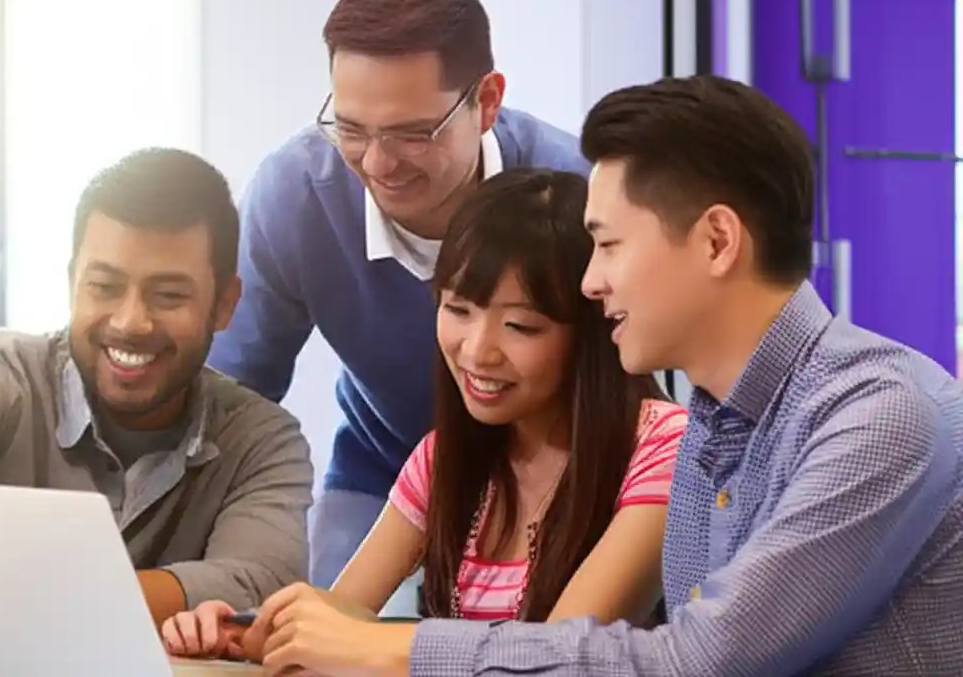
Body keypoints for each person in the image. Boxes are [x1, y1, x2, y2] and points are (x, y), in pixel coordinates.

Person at [229, 75, 963, 676]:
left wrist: (398, 647)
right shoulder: (719, 421)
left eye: (608, 246)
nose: (589, 284)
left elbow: (702, 661)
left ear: (716, 241)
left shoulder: (878, 414)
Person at [161, 168, 688, 660]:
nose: (477, 351)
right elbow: (338, 614)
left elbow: (552, 661)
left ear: (592, 331)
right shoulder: (446, 456)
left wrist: (363, 645)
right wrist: (244, 633)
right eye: (457, 310)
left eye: (521, 326)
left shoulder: (660, 444)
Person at [207, 0, 589, 588]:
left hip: (563, 479)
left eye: (414, 134)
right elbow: (230, 402)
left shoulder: (578, 194)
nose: (378, 164)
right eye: (352, 129)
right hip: (383, 472)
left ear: (487, 102)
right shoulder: (299, 192)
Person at [0, 148, 314, 638]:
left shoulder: (263, 440)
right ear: (73, 283)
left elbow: (259, 583)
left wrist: (22, 584)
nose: (131, 322)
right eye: (105, 287)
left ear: (224, 304)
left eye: (169, 295)